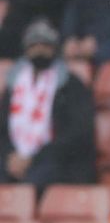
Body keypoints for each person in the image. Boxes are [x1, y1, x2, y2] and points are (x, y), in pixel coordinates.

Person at [0, 19, 96, 195]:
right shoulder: (14, 85)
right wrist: (12, 156)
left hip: (55, 160)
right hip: (14, 158)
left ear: (54, 48)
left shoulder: (71, 85)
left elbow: (78, 134)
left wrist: (33, 158)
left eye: (45, 45)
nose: (39, 50)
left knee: (39, 179)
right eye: (34, 45)